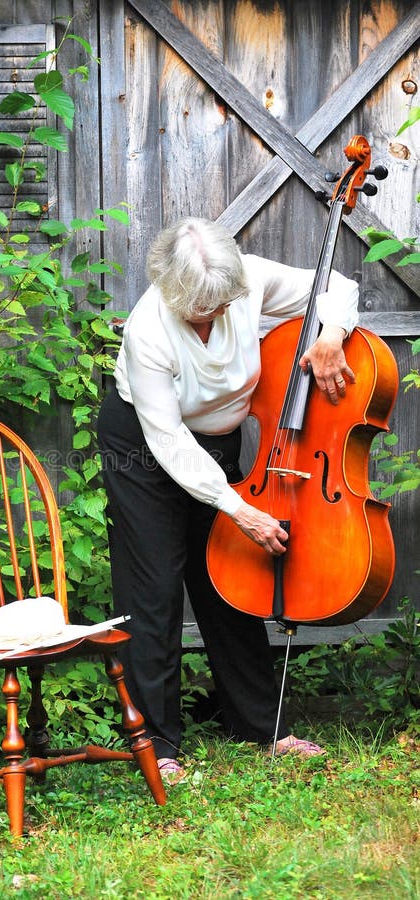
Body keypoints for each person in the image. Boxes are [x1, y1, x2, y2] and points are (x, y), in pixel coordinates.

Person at [96, 217, 359, 783]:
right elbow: (168, 441)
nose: (214, 316)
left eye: (222, 305)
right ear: (172, 293)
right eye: (202, 310)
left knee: (228, 576)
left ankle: (262, 727)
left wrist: (331, 335)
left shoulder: (248, 279)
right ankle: (156, 741)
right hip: (144, 447)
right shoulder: (148, 331)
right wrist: (238, 509)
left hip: (216, 441)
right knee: (154, 588)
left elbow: (338, 286)